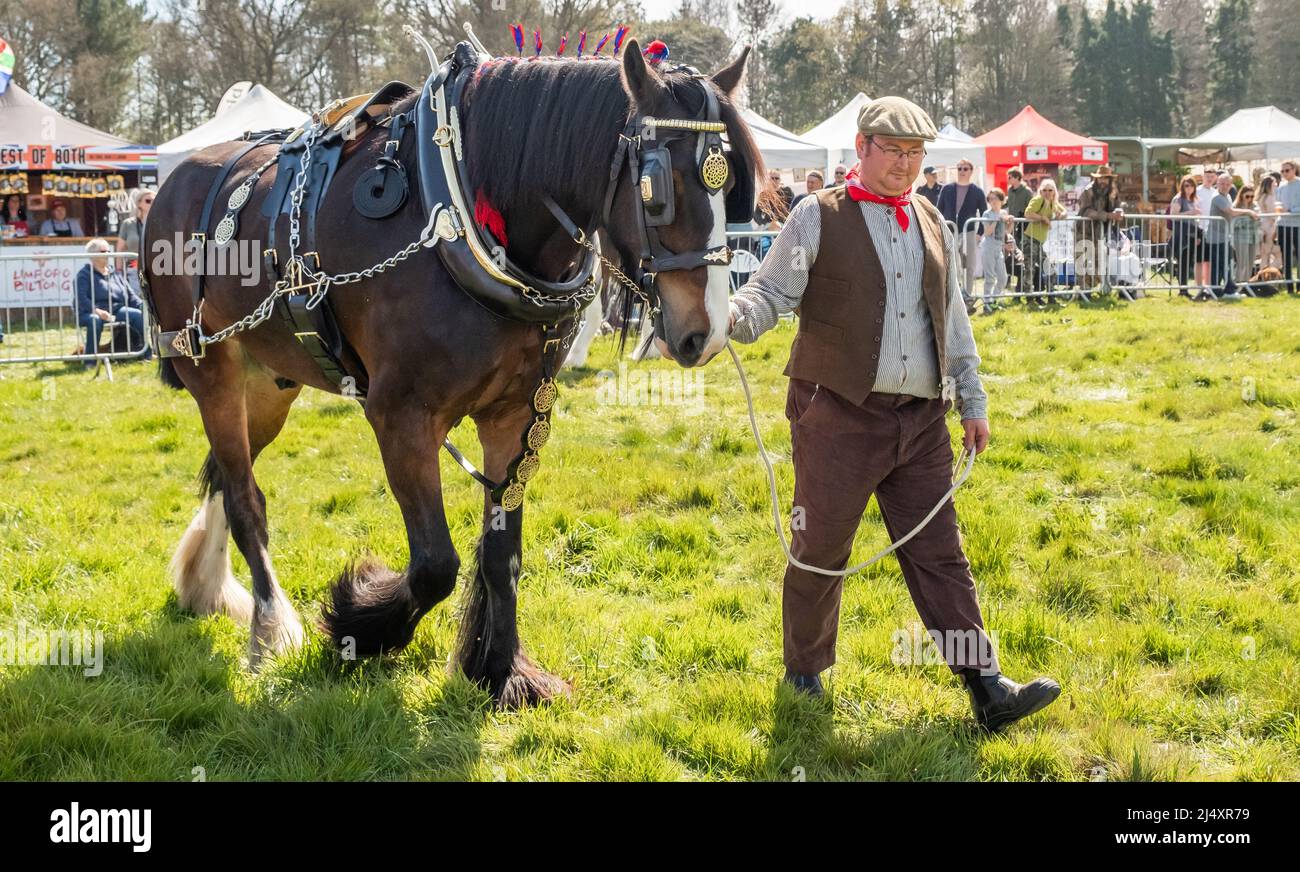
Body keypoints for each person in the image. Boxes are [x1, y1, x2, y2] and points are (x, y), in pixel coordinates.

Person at [726, 95, 1060, 731]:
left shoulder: (932, 217)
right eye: (893, 152)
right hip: (836, 416)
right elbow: (769, 292)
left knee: (942, 554)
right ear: (862, 149)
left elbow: (952, 318)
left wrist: (972, 400)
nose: (905, 165)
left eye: (915, 154)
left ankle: (986, 687)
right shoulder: (816, 216)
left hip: (922, 422)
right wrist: (729, 319)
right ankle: (805, 674)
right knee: (819, 547)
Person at [75, 237, 150, 366]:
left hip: (116, 310)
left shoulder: (114, 273)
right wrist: (97, 311)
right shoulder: (84, 275)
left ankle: (147, 354)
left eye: (109, 251)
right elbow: (82, 299)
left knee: (138, 315)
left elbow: (130, 296)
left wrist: (143, 306)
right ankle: (90, 362)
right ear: (93, 255)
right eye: (104, 251)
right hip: (90, 312)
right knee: (95, 320)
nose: (109, 254)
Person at [937, 159, 986, 304]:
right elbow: (938, 210)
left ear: (971, 171)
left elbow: (984, 214)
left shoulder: (977, 191)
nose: (962, 172)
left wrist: (979, 233)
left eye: (965, 169)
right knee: (951, 264)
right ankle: (953, 295)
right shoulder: (947, 189)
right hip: (949, 231)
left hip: (969, 232)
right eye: (959, 169)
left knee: (969, 265)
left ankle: (968, 294)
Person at [1203, 173, 1257, 296]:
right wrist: (1249, 211)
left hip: (1224, 236)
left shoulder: (1226, 196)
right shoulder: (1217, 197)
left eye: (1227, 184)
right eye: (1222, 183)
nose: (1225, 186)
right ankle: (1219, 290)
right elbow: (1231, 212)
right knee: (1220, 264)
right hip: (1216, 238)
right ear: (1217, 184)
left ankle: (1227, 289)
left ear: (1231, 185)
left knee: (1226, 263)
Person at [1076, 165, 1124, 290]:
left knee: (1099, 265)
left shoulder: (1112, 192)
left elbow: (1118, 207)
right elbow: (1086, 212)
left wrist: (1119, 213)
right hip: (1083, 231)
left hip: (1100, 233)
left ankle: (1087, 287)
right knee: (1081, 263)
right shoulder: (1088, 191)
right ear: (1096, 179)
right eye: (1101, 178)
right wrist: (1108, 215)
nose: (1103, 181)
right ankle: (1082, 292)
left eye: (1106, 178)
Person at [1023, 178, 1066, 305]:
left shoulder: (1053, 202)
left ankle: (1051, 296)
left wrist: (1061, 215)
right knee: (1030, 270)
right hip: (1030, 239)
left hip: (1041, 242)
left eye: (1050, 190)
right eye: (1044, 190)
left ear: (1054, 192)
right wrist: (1043, 218)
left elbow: (1064, 211)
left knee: (1049, 269)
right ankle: (1029, 298)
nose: (1047, 192)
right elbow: (1027, 213)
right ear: (1040, 191)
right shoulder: (1038, 199)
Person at [978, 188, 1012, 312]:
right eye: (990, 199)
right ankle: (987, 303)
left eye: (995, 198)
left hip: (999, 247)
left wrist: (1010, 221)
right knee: (990, 277)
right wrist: (997, 219)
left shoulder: (1003, 212)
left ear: (1001, 200)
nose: (992, 201)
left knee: (1003, 277)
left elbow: (1007, 232)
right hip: (988, 246)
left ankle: (994, 299)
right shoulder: (987, 214)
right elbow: (987, 232)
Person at [117, 188, 154, 293]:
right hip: (134, 269)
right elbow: (119, 250)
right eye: (148, 201)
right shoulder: (128, 224)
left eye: (155, 201)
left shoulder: (160, 223)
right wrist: (119, 272)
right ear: (139, 204)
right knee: (139, 299)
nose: (152, 203)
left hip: (156, 269)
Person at [1003, 169, 1032, 292]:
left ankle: (1022, 283)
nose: (1008, 179)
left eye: (1009, 177)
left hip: (1023, 227)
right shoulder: (1010, 190)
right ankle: (1007, 279)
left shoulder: (1027, 192)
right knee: (1009, 250)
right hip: (1011, 226)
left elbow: (1030, 208)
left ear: (1016, 177)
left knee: (1021, 253)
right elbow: (1008, 203)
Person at [1231, 185, 1261, 288]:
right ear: (1242, 195)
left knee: (1250, 263)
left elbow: (1259, 220)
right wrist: (1249, 216)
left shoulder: (1254, 205)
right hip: (1240, 238)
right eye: (1247, 196)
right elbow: (1235, 223)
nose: (1250, 199)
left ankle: (1245, 285)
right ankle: (1238, 284)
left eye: (1252, 196)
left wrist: (1249, 217)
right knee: (1242, 263)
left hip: (1252, 237)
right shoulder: (1236, 206)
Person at [1278, 160, 1300, 293]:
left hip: (1298, 225)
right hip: (1283, 225)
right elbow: (1278, 204)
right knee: (1285, 257)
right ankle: (1289, 287)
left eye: (1287, 170)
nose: (1285, 173)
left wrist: (1291, 210)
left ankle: (1299, 286)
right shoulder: (1281, 186)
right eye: (1282, 171)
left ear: (1294, 170)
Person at [1257, 174, 1279, 270]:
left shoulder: (1262, 196)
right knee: (1277, 254)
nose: (1276, 185)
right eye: (1274, 183)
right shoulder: (1269, 197)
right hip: (1269, 227)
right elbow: (1272, 214)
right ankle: (1267, 273)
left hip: (1264, 225)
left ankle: (1264, 275)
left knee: (1265, 255)